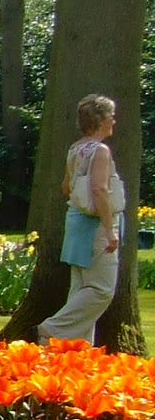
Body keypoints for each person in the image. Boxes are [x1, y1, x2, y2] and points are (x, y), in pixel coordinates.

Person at [39, 94, 124, 346]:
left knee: (80, 289)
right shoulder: (100, 150)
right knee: (101, 290)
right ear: (100, 120)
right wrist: (110, 231)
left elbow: (66, 187)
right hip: (95, 227)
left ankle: (75, 354)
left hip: (75, 224)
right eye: (111, 116)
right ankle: (52, 329)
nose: (114, 121)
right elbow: (99, 190)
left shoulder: (75, 149)